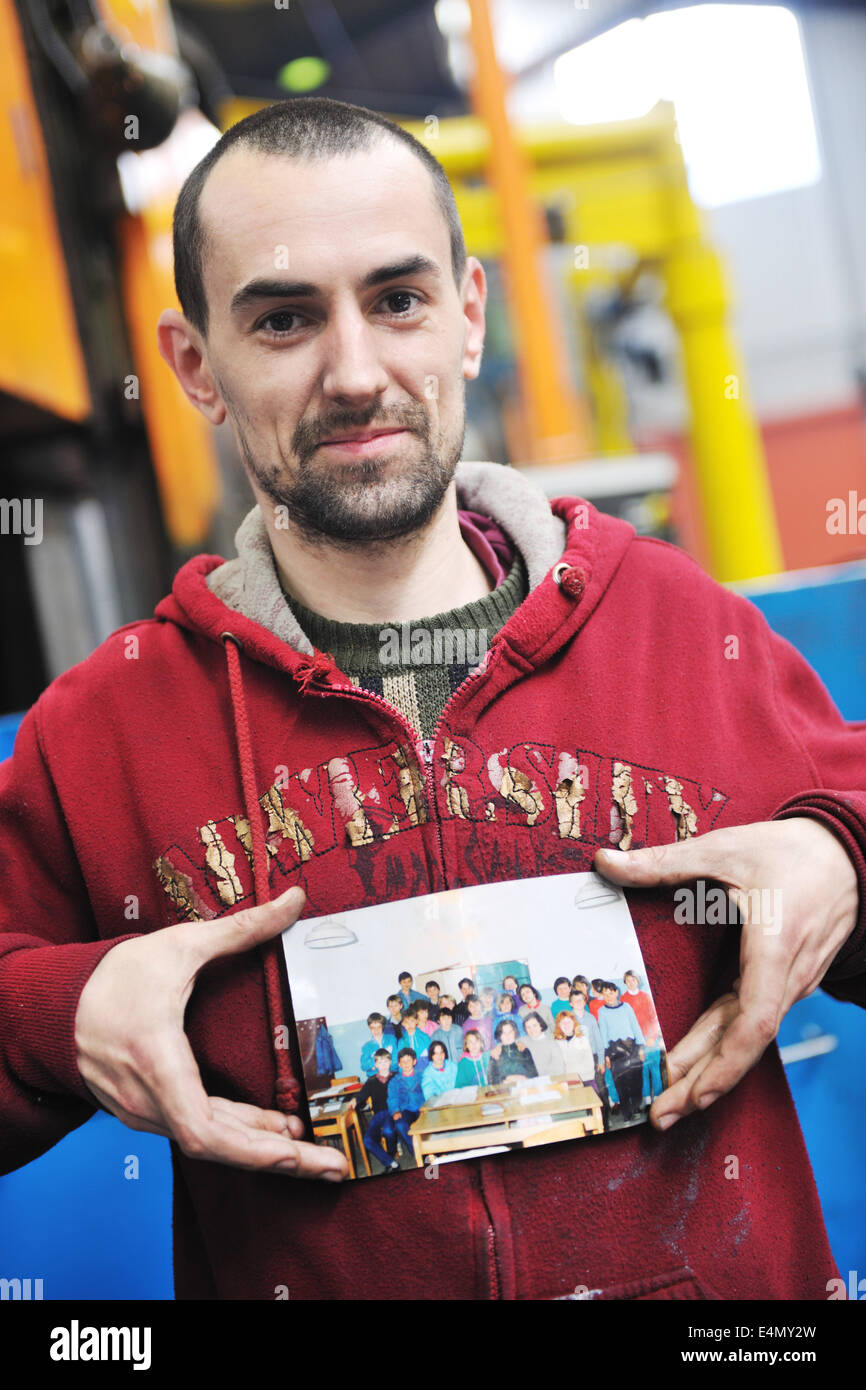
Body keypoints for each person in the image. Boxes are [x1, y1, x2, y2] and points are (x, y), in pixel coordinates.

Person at [2, 94, 864, 1302]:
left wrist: (839, 855)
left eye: (397, 300)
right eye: (284, 319)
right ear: (195, 366)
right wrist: (63, 1014)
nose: (355, 374)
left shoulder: (679, 628)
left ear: (467, 317)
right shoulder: (107, 732)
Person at [598, 983, 646, 1123]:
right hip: (615, 1050)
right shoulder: (602, 1011)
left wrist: (640, 1047)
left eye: (610, 993)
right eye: (605, 994)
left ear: (616, 992)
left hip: (632, 1046)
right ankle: (626, 1113)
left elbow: (635, 1026)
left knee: (636, 1080)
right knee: (620, 1082)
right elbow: (603, 1033)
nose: (608, 996)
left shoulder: (627, 1007)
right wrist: (606, 1054)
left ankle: (636, 1108)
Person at [348, 1049, 400, 1173]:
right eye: (380, 1062)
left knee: (388, 1131)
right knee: (367, 1140)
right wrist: (355, 1099)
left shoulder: (396, 1077)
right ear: (375, 1065)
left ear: (390, 1062)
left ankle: (391, 1157)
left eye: (386, 1061)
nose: (383, 1065)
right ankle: (391, 1162)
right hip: (378, 1115)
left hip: (392, 1112)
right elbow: (362, 1093)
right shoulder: (371, 1081)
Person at [622, 969, 664, 1102]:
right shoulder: (623, 999)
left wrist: (653, 1037)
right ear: (625, 982)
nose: (631, 983)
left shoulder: (646, 996)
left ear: (638, 981)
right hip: (635, 1040)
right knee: (642, 1069)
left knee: (654, 1068)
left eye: (633, 980)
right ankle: (646, 1098)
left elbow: (654, 1019)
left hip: (650, 1038)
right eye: (628, 980)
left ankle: (658, 1096)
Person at [387, 1050, 424, 1162]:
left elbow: (428, 1092)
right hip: (405, 1110)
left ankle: (431, 1149)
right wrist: (395, 1110)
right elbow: (392, 1097)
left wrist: (427, 1108)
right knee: (400, 1125)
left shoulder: (422, 1076)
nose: (406, 1064)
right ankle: (418, 1153)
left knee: (428, 1123)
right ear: (399, 1064)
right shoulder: (394, 1081)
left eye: (408, 1060)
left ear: (414, 1061)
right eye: (403, 1061)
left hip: (421, 1108)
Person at [554, 1010, 599, 1095]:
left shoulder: (582, 1039)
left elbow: (590, 1063)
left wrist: (576, 1078)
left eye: (569, 1022)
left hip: (586, 1079)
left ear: (574, 1023)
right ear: (559, 1025)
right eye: (563, 1022)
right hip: (567, 1082)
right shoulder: (556, 1043)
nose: (566, 1025)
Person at [488, 1020, 538, 1085]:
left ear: (515, 1032)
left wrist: (523, 1078)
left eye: (510, 1032)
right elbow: (491, 1079)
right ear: (500, 1035)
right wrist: (504, 1081)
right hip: (504, 1088)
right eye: (504, 1033)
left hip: (524, 1086)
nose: (507, 1035)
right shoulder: (496, 1053)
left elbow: (534, 1074)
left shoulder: (523, 1049)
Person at [522, 1012, 562, 1077]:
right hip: (530, 1080)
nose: (532, 1030)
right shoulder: (523, 1041)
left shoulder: (551, 1042)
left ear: (541, 1025)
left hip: (550, 1079)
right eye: (528, 1027)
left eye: (534, 1025)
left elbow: (559, 1067)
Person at [360, 1011, 399, 1076]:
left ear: (382, 1027)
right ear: (369, 1028)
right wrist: (378, 1064)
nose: (376, 1030)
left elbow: (395, 1060)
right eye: (373, 1028)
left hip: (391, 1073)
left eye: (379, 1027)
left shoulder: (391, 1039)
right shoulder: (367, 1046)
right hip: (375, 1076)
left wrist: (375, 1067)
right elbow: (364, 1065)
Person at [397, 1004, 430, 1071]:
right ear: (403, 1024)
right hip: (408, 1072)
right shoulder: (401, 1041)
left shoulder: (425, 1037)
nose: (409, 1024)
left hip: (424, 1070)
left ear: (417, 1021)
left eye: (412, 1021)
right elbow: (400, 1061)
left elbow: (431, 1057)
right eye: (406, 1022)